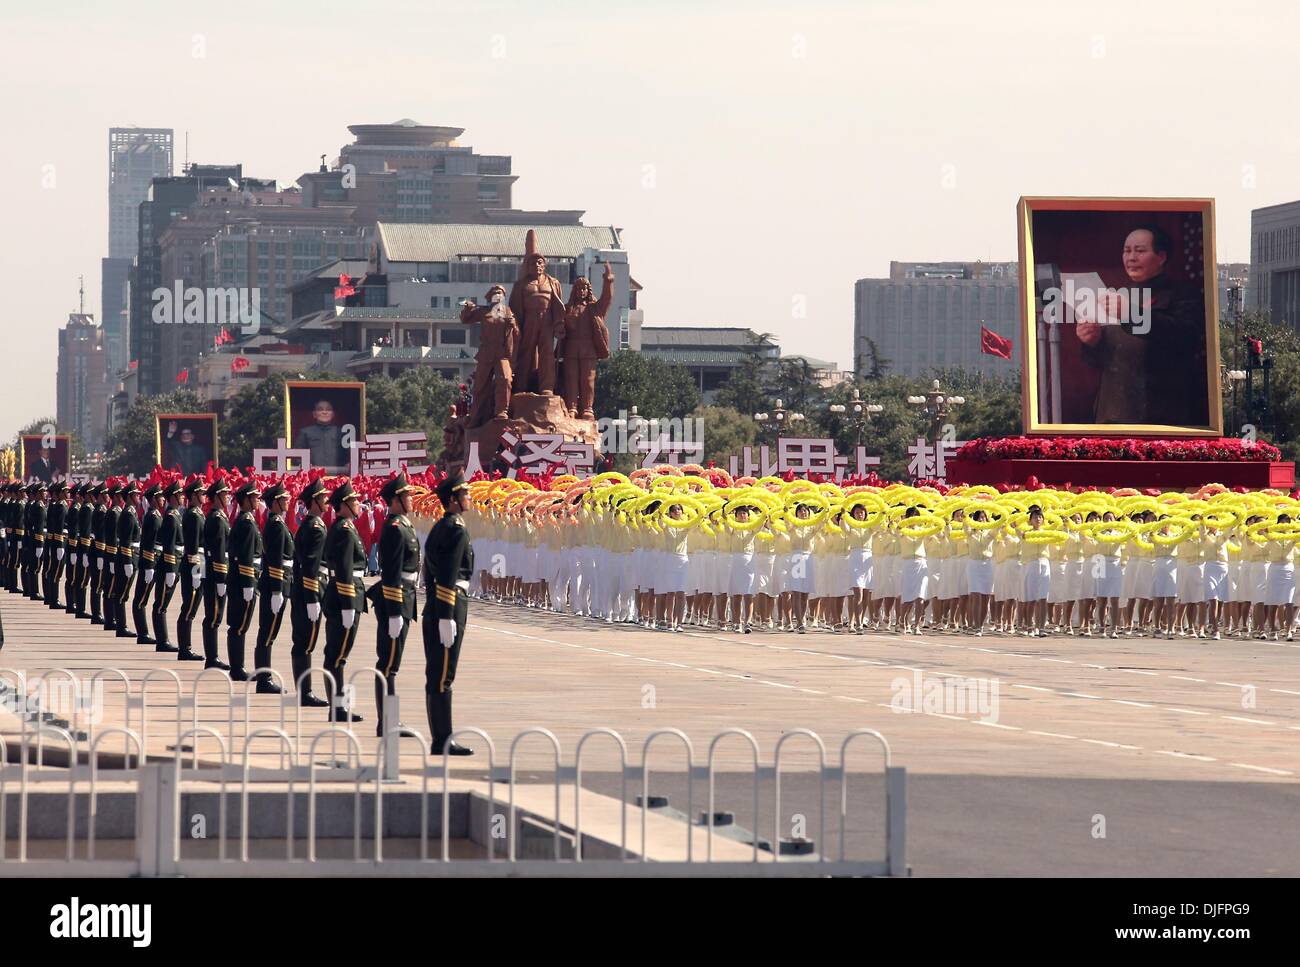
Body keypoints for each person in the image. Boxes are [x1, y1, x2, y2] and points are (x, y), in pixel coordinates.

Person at [1074, 225, 1209, 426]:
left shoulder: (1182, 294)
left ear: (1161, 257)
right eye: (1127, 251)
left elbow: (1185, 337)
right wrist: (1091, 341)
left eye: (1140, 251)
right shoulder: (1115, 296)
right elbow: (1099, 361)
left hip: (1162, 414)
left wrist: (1132, 314)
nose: (1131, 258)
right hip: (1113, 414)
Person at [423, 472, 475, 756]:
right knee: (443, 675)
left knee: (437, 674)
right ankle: (442, 740)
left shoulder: (440, 526)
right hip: (450, 604)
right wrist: (446, 615)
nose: (469, 497)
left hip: (440, 604)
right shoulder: (456, 528)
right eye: (465, 494)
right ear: (453, 500)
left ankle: (441, 737)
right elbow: (446, 574)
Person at [369, 471, 420, 737]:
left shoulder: (403, 524)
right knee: (387, 664)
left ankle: (389, 720)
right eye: (407, 495)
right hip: (395, 602)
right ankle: (387, 722)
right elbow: (390, 572)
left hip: (403, 599)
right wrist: (394, 611)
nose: (412, 498)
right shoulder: (394, 528)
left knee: (392, 664)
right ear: (397, 500)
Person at [321, 480, 366, 722]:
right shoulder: (345, 530)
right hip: (345, 598)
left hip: (339, 595)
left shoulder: (342, 527)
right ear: (344, 505)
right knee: (338, 656)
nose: (358, 504)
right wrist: (349, 604)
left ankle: (339, 708)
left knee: (336, 655)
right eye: (355, 501)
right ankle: (338, 709)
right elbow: (345, 568)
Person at [289, 478, 330, 706]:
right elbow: (310, 565)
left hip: (302, 591)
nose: (326, 501)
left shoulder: (310, 523)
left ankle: (304, 692)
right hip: (308, 592)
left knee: (303, 641)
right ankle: (305, 693)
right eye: (322, 498)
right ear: (314, 501)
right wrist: (314, 597)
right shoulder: (315, 527)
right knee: (305, 642)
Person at [560, 262, 614, 420]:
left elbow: (607, 298)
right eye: (579, 288)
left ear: (588, 291)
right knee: (571, 379)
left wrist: (608, 280)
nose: (581, 291)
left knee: (588, 380)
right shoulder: (568, 308)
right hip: (571, 347)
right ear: (574, 291)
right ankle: (572, 407)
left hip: (588, 348)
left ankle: (587, 408)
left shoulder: (594, 308)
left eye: (584, 288)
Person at [459, 285, 518, 427]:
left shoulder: (508, 312)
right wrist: (468, 308)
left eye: (501, 293)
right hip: (486, 352)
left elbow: (517, 334)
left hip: (502, 354)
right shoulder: (483, 311)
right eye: (495, 293)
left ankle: (501, 411)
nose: (498, 295)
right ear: (489, 296)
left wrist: (514, 325)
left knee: (504, 379)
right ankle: (475, 414)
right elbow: (465, 319)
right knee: (480, 384)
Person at [254, 481, 292, 693]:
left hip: (275, 583)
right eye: (283, 498)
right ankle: (264, 679)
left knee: (268, 632)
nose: (287, 501)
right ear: (275, 503)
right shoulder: (276, 524)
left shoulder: (277, 522)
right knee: (267, 633)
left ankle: (264, 677)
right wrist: (277, 590)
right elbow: (276, 559)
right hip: (274, 584)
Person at [226, 482, 263, 682]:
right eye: (254, 497)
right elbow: (247, 556)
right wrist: (249, 583)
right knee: (239, 625)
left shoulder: (245, 520)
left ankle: (237, 666)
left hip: (239, 579)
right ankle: (237, 668)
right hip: (243, 581)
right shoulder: (247, 523)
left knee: (239, 625)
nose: (257, 500)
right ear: (247, 500)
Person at [200, 479, 232, 671]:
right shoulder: (217, 519)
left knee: (214, 616)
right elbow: (218, 551)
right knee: (213, 616)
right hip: (215, 574)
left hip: (213, 572)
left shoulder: (218, 517)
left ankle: (213, 657)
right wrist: (221, 579)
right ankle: (211, 658)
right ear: (217, 497)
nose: (228, 497)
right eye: (225, 494)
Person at [175, 479, 207, 661]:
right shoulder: (194, 515)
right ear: (194, 496)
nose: (204, 496)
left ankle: (185, 647)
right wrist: (196, 572)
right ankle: (184, 648)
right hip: (194, 564)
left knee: (192, 608)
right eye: (201, 493)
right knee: (189, 607)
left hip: (199, 562)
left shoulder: (197, 514)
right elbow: (193, 546)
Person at [151, 480, 183, 654]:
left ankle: (163, 640)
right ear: (173, 497)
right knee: (160, 604)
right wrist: (171, 569)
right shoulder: (171, 517)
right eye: (180, 495)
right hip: (167, 567)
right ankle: (162, 640)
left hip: (173, 566)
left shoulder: (175, 515)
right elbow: (169, 545)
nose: (183, 497)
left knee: (163, 604)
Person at [133, 484, 163, 645]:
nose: (163, 499)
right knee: (141, 599)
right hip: (148, 562)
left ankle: (144, 633)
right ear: (153, 499)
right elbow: (149, 543)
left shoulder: (156, 515)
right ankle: (142, 633)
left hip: (152, 561)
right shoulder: (152, 517)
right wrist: (150, 565)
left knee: (142, 598)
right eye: (160, 497)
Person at [113, 481, 142, 639]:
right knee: (121, 594)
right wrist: (128, 561)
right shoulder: (128, 514)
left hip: (130, 556)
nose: (139, 497)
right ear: (130, 497)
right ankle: (121, 626)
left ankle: (121, 625)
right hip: (127, 557)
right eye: (136, 494)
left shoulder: (130, 512)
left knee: (122, 594)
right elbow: (125, 540)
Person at [294, 399, 349, 472]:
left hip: (338, 475)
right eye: (320, 409)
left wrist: (348, 464)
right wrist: (302, 464)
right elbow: (297, 454)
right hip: (312, 476)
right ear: (314, 414)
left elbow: (348, 453)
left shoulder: (341, 432)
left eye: (328, 410)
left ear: (333, 414)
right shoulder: (305, 432)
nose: (324, 412)